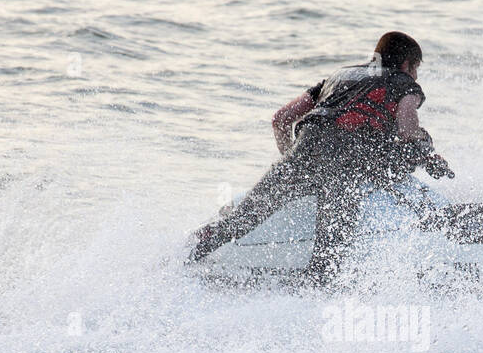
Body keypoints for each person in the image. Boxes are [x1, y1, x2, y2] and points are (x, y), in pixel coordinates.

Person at [188, 31, 452, 284]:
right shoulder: (403, 83)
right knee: (331, 253)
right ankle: (317, 290)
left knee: (236, 223)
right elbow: (407, 128)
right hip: (346, 167)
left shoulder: (337, 77)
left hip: (302, 157)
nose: (416, 75)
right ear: (407, 65)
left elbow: (281, 120)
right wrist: (429, 157)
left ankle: (183, 256)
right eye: (416, 68)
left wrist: (295, 164)